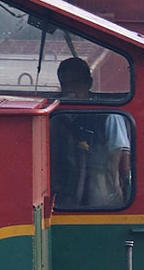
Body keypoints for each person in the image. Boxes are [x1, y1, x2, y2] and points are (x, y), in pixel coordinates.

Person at [51, 55, 132, 209]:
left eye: (75, 83)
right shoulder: (55, 115)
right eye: (64, 84)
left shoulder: (110, 115)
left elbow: (122, 157)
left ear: (89, 83)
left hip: (99, 193)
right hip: (62, 195)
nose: (69, 90)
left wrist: (116, 187)